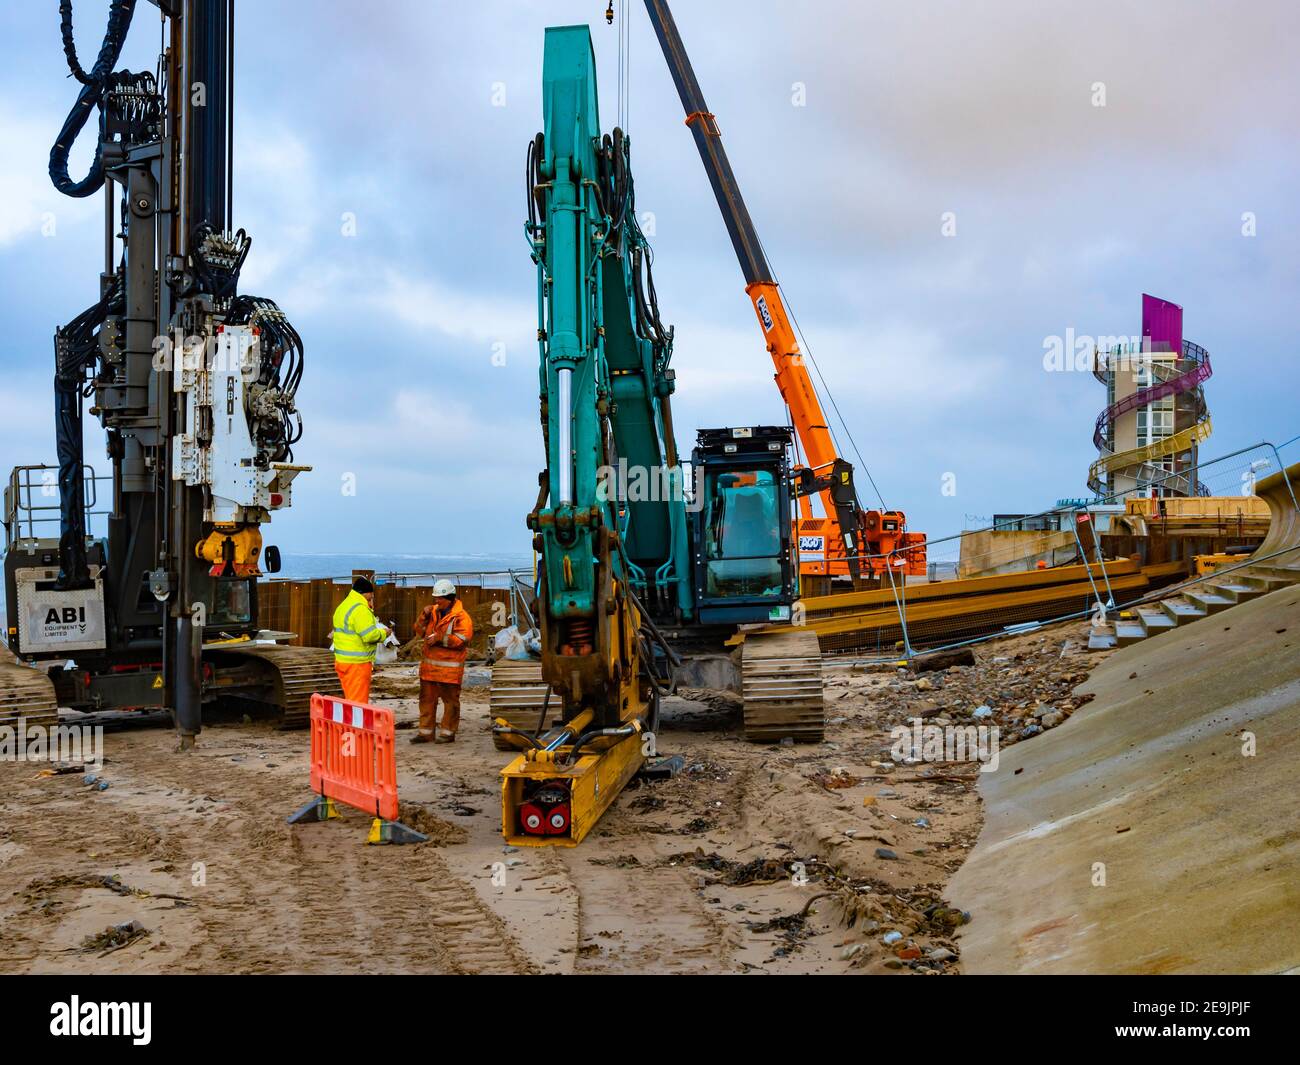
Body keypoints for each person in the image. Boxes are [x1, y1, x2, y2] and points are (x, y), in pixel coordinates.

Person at [410, 578, 473, 743]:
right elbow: (418, 631)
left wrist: (439, 638)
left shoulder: (461, 617)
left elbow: (463, 640)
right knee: (426, 700)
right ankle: (425, 732)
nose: (436, 601)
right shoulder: (433, 613)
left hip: (449, 670)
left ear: (450, 599)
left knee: (450, 702)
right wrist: (423, 616)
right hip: (430, 669)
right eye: (435, 598)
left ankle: (448, 732)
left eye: (439, 598)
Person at [331, 576, 389, 702]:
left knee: (348, 699)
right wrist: (384, 633)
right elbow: (369, 636)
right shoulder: (360, 609)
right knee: (358, 703)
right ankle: (357, 722)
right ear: (366, 593)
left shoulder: (343, 606)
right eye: (371, 596)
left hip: (342, 661)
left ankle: (347, 722)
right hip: (357, 665)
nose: (372, 598)